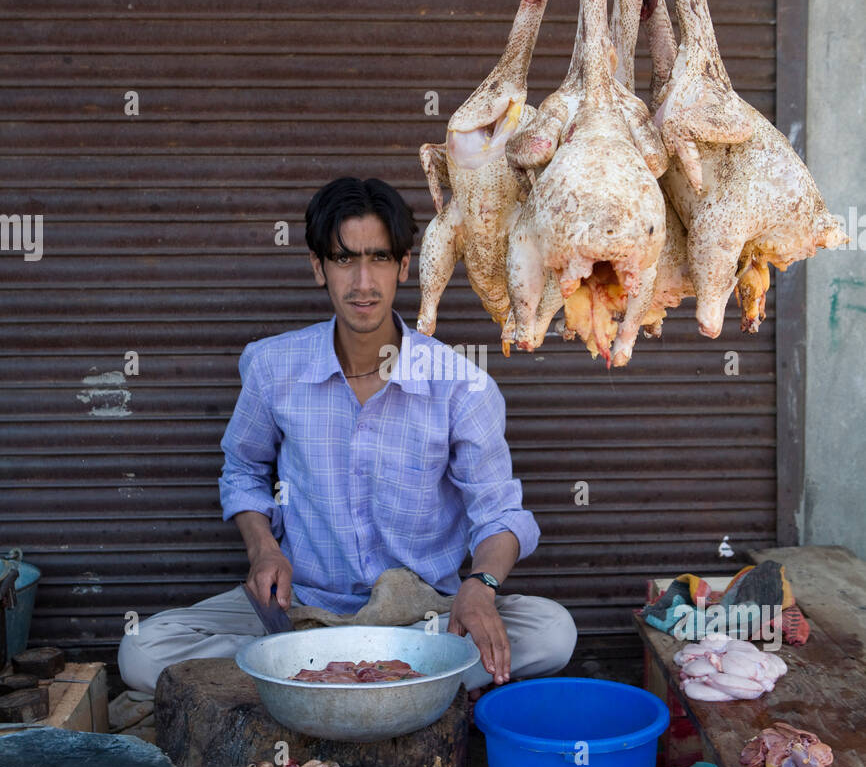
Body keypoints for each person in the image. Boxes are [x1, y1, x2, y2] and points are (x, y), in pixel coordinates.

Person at [119, 176, 576, 697]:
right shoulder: (273, 367)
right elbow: (243, 471)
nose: (364, 282)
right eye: (344, 259)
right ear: (318, 267)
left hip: (422, 614)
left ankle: (308, 677)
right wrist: (264, 550)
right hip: (302, 609)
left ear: (405, 266)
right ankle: (391, 678)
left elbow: (499, 514)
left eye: (380, 258)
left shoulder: (460, 386)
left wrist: (482, 585)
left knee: (553, 631)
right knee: (142, 649)